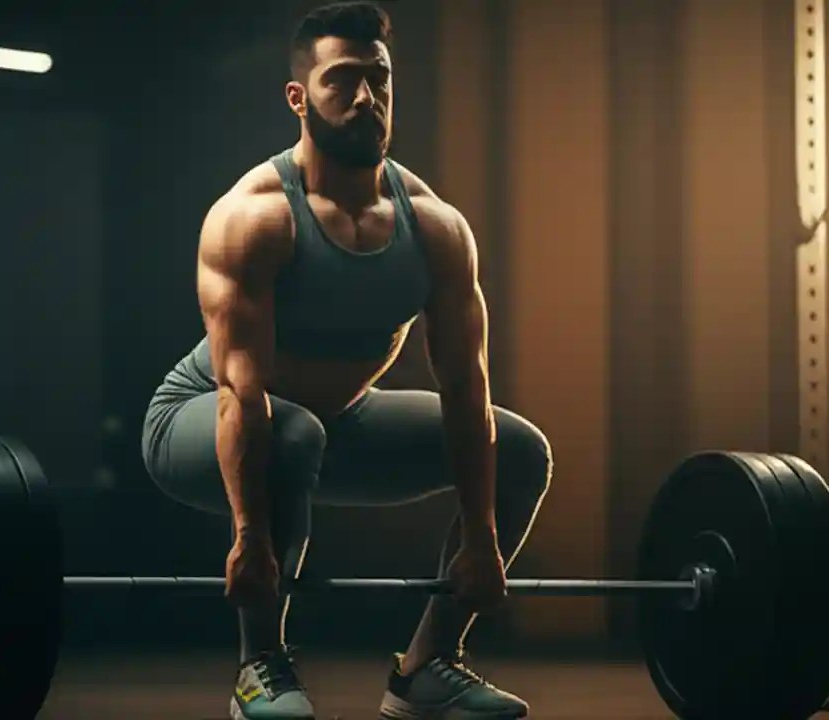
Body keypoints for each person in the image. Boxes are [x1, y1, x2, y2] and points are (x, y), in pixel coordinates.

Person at [141, 3, 553, 718]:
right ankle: (258, 668)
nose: (366, 97)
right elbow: (242, 393)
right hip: (202, 418)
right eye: (342, 79)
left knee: (519, 451)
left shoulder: (435, 227)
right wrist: (249, 537)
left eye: (379, 79)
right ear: (298, 97)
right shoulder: (255, 217)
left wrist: (482, 538)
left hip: (337, 426)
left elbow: (465, 385)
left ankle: (426, 668)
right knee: (293, 432)